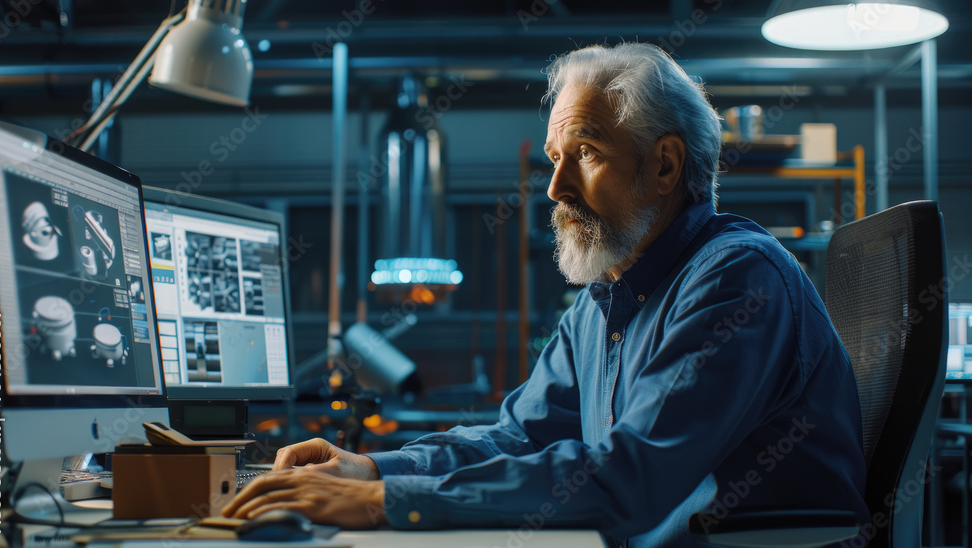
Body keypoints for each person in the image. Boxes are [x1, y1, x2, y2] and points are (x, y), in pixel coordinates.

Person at [223, 42, 868, 546]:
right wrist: (373, 470)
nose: (556, 188)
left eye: (585, 152)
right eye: (554, 158)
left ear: (666, 165)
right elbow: (515, 438)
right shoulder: (602, 301)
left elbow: (630, 478)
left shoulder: (737, 279)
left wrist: (386, 504)